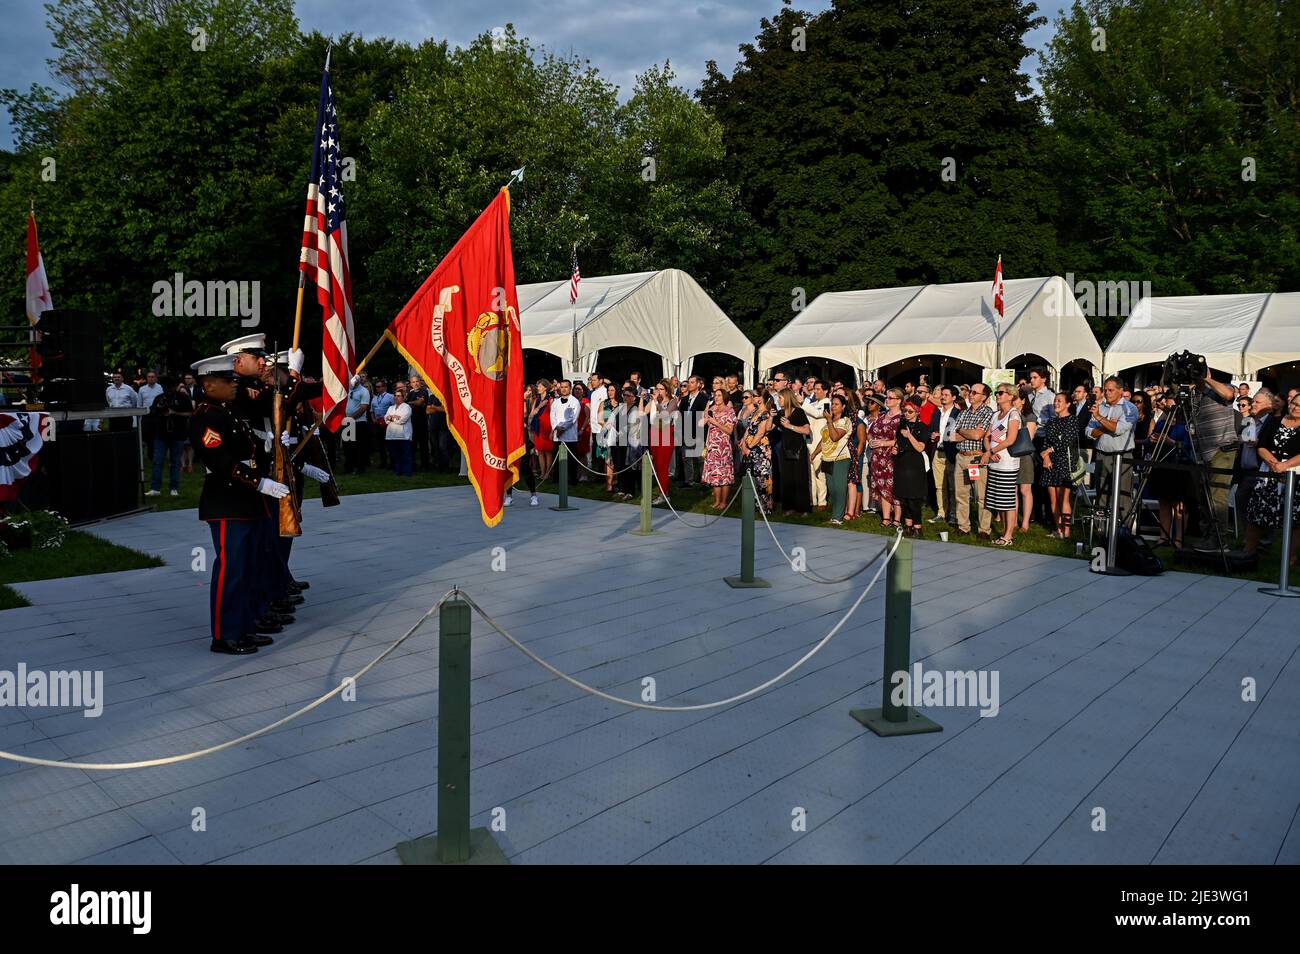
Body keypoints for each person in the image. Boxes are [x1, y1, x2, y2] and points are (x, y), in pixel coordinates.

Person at [188, 354, 289, 655]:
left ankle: (245, 625)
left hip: (248, 501)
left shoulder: (228, 412)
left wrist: (275, 441)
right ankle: (225, 635)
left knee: (248, 567)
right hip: (227, 501)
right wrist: (258, 481)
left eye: (234, 379)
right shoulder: (205, 416)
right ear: (208, 385)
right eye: (227, 380)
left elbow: (251, 448)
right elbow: (220, 461)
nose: (234, 384)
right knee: (231, 570)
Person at [1243, 393, 1300, 566]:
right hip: (1268, 471)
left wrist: (1286, 465)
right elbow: (1261, 446)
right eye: (1294, 403)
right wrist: (1275, 464)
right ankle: (1248, 552)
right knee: (1258, 512)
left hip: (1295, 473)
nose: (1295, 407)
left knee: (1296, 519)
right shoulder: (1275, 421)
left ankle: (1290, 558)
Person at [1188, 371, 1241, 548]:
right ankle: (1207, 536)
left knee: (1217, 495)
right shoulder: (1192, 394)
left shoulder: (1221, 389)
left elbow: (1228, 395)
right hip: (1201, 451)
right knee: (1203, 496)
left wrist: (1206, 378)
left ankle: (1219, 539)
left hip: (1222, 449)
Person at [1143, 390, 1193, 548]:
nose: (1170, 411)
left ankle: (1178, 538)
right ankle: (1163, 536)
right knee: (1164, 502)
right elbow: (1153, 438)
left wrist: (1169, 441)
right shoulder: (1162, 422)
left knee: (1179, 504)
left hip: (1179, 466)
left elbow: (1189, 446)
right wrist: (1152, 439)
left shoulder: (1186, 425)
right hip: (1162, 465)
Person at [1087, 376, 1138, 517]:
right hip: (1101, 454)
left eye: (1111, 390)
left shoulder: (1129, 409)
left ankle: (1123, 531)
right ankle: (1101, 531)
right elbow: (1089, 432)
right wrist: (1106, 425)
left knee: (1122, 495)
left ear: (1121, 391)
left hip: (1122, 457)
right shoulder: (1100, 407)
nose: (1107, 393)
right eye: (1105, 390)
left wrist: (1100, 419)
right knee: (1101, 494)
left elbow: (1119, 429)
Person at [953, 383, 996, 539]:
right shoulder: (963, 413)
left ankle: (984, 529)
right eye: (970, 391)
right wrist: (969, 432)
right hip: (961, 457)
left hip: (976, 458)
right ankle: (963, 527)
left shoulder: (987, 412)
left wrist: (962, 431)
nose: (970, 394)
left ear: (983, 397)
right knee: (961, 494)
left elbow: (979, 436)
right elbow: (952, 436)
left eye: (975, 392)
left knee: (981, 495)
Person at [982, 385, 1023, 547]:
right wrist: (989, 451)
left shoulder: (1013, 415)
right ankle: (1005, 532)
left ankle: (1008, 535)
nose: (997, 395)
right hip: (995, 461)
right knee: (999, 500)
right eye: (996, 393)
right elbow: (987, 437)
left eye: (1000, 393)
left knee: (1007, 500)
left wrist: (991, 451)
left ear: (1010, 396)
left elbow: (1010, 439)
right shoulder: (996, 414)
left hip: (1008, 463)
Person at [1038, 392, 1080, 539]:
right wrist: (1046, 456)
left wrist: (1050, 450)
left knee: (1064, 497)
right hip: (1050, 462)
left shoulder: (1073, 420)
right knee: (1053, 499)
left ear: (1068, 404)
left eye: (1060, 401)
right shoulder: (1051, 422)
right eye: (1055, 401)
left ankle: (1067, 530)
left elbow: (1067, 441)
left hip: (1065, 462)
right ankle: (1059, 529)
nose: (1056, 403)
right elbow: (1045, 442)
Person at [145, 379, 193, 497]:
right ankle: (155, 489)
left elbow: (190, 413)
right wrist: (158, 410)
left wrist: (174, 412)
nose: (169, 390)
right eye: (167, 387)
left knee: (175, 462)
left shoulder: (183, 397)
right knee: (157, 461)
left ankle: (174, 488)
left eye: (171, 387)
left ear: (175, 386)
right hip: (161, 434)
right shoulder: (159, 397)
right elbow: (152, 413)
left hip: (178, 434)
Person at [868, 388, 904, 529]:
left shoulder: (902, 418)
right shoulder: (882, 416)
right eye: (887, 397)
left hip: (892, 457)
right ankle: (886, 517)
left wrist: (884, 443)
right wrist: (871, 441)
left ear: (899, 401)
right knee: (882, 486)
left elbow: (901, 439)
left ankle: (897, 518)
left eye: (891, 398)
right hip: (878, 458)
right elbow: (870, 432)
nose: (887, 400)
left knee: (893, 487)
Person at [894, 397, 929, 537]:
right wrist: (896, 449)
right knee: (904, 498)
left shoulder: (922, 427)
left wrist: (909, 435)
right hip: (902, 463)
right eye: (905, 411)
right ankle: (908, 526)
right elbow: (898, 442)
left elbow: (920, 447)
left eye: (910, 411)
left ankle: (918, 527)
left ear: (917, 412)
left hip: (915, 464)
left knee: (914, 499)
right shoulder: (902, 425)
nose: (907, 414)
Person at [774, 390, 811, 516]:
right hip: (785, 448)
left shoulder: (798, 412)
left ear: (787, 398)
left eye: (780, 398)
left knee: (800, 477)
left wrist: (790, 426)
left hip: (798, 448)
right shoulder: (780, 413)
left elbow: (807, 431)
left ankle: (804, 508)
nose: (778, 400)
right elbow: (769, 427)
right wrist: (770, 416)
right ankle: (789, 507)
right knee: (787, 478)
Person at [819, 393, 853, 524]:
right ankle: (835, 514)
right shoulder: (830, 421)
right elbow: (824, 440)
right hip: (827, 458)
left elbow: (834, 437)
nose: (833, 406)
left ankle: (838, 518)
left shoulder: (845, 421)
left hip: (841, 458)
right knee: (832, 489)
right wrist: (815, 453)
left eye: (836, 404)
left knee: (839, 488)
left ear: (843, 407)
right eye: (832, 403)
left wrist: (828, 421)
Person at [701, 388, 737, 509]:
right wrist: (707, 407)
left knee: (724, 475)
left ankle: (724, 502)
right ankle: (716, 501)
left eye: (719, 395)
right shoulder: (712, 410)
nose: (716, 398)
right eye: (715, 395)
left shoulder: (730, 411)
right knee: (715, 474)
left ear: (724, 397)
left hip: (724, 446)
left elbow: (729, 430)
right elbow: (700, 424)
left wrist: (715, 422)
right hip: (712, 446)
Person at [930, 385, 960, 525]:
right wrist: (933, 435)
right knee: (939, 486)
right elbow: (932, 430)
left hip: (952, 452)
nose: (942, 397)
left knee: (953, 486)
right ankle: (941, 513)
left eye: (946, 394)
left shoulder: (958, 413)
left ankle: (953, 514)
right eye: (942, 394)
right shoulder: (937, 413)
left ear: (954, 397)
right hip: (937, 451)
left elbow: (959, 433)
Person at [740, 393, 775, 511]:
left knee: (763, 477)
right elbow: (748, 429)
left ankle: (765, 507)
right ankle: (755, 504)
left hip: (760, 448)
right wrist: (743, 442)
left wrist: (749, 446)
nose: (753, 398)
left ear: (761, 399)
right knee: (753, 476)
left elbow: (761, 433)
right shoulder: (755, 412)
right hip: (750, 446)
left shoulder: (765, 414)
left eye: (755, 396)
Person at [646, 379, 678, 504]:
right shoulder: (655, 401)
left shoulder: (672, 401)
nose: (658, 391)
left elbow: (665, 415)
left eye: (661, 389)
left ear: (667, 390)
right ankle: (663, 492)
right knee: (657, 465)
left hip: (666, 432)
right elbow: (643, 412)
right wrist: (649, 400)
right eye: (657, 389)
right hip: (654, 431)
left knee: (663, 465)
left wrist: (657, 403)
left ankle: (664, 494)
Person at [803, 381, 831, 510]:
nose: (816, 391)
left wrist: (802, 402)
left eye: (818, 389)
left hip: (820, 442)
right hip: (808, 441)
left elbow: (818, 414)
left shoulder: (828, 403)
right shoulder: (812, 404)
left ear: (825, 391)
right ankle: (812, 499)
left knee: (819, 473)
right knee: (810, 474)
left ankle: (822, 501)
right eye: (814, 389)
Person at [550, 378, 583, 488]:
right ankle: (556, 479)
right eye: (562, 387)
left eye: (566, 387)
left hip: (570, 436)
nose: (564, 389)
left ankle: (572, 480)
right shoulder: (555, 402)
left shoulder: (575, 402)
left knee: (571, 461)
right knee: (557, 458)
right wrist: (556, 428)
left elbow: (573, 419)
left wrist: (562, 428)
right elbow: (552, 416)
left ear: (570, 388)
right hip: (557, 436)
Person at [1015, 391, 1039, 533]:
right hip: (1011, 455)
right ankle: (1013, 522)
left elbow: (1029, 437)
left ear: (1023, 400)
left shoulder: (1029, 416)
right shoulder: (1009, 414)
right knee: (1013, 490)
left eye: (1015, 398)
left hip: (1025, 455)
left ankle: (1025, 523)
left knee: (1025, 490)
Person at [343, 375, 371, 474]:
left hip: (359, 422)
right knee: (347, 446)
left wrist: (351, 418)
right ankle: (349, 467)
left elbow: (363, 407)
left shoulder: (364, 391)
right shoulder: (347, 389)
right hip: (347, 422)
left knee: (359, 446)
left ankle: (360, 468)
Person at [385, 385, 413, 476]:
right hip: (391, 435)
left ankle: (407, 472)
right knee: (395, 455)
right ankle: (398, 471)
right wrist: (394, 417)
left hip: (403, 435)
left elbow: (402, 420)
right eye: (395, 396)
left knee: (405, 455)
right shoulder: (391, 408)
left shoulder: (406, 407)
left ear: (403, 397)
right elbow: (386, 419)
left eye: (399, 396)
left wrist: (391, 418)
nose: (396, 397)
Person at [406, 374, 430, 470]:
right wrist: (413, 402)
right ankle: (413, 465)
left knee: (423, 445)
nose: (415, 384)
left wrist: (410, 402)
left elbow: (420, 402)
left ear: (420, 382)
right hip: (412, 423)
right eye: (413, 382)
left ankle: (425, 465)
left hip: (423, 422)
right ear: (411, 384)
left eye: (417, 381)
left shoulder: (424, 391)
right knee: (413, 446)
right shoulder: (410, 393)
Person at [369, 379, 394, 469]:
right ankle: (383, 462)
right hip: (377, 423)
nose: (377, 388)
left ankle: (392, 463)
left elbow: (395, 409)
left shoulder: (390, 397)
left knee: (389, 444)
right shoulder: (375, 398)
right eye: (376, 387)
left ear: (384, 387)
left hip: (387, 423)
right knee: (380, 444)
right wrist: (373, 419)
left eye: (379, 387)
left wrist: (389, 420)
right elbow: (371, 411)